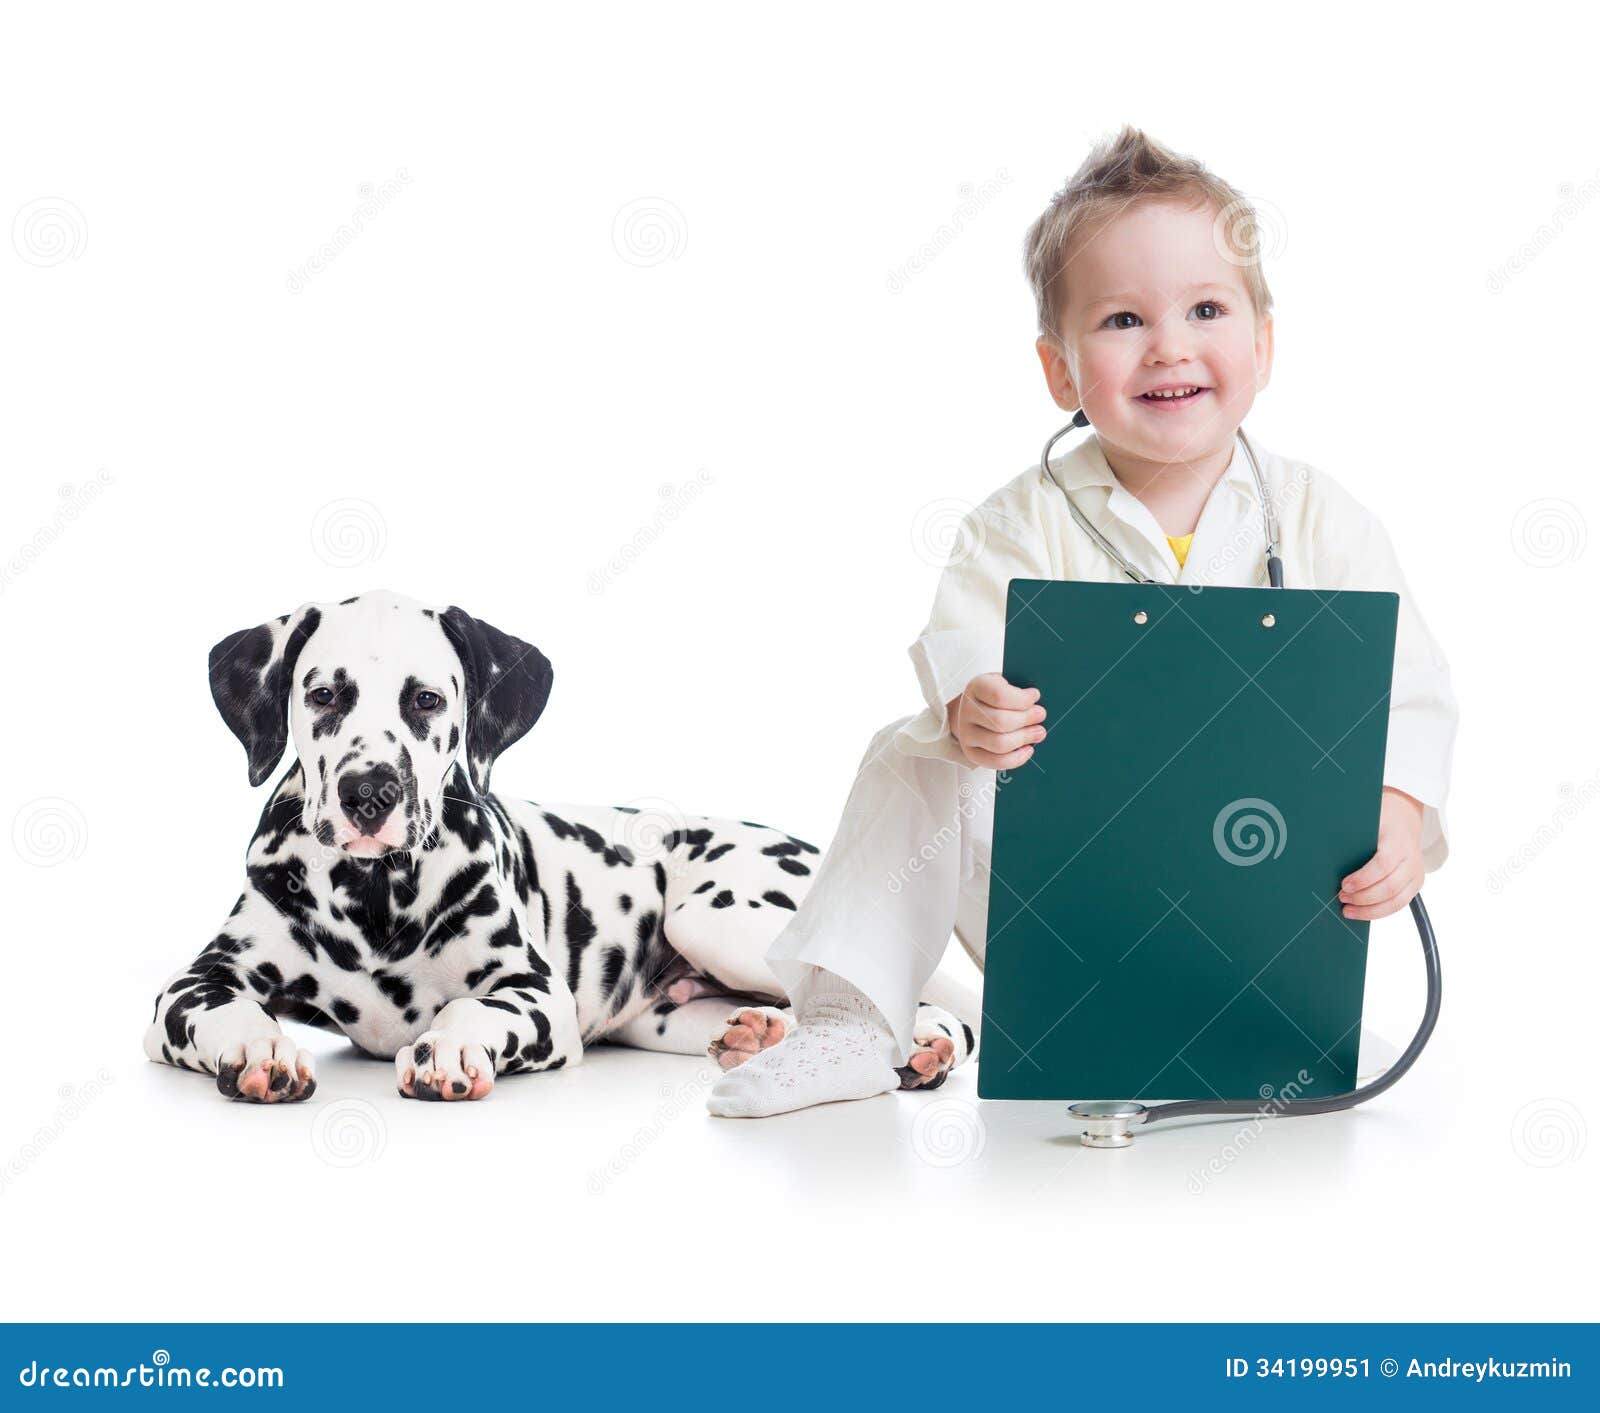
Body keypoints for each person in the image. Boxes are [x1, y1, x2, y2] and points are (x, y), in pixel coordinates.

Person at [707, 125, 1458, 1119]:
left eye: (1205, 309)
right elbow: (966, 650)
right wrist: (973, 709)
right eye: (1121, 319)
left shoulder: (1324, 519)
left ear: (1264, 345)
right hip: (1068, 899)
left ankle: (1284, 1031)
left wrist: (1398, 810)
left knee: (1348, 797)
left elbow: (1408, 689)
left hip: (1254, 892)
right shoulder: (1017, 523)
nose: (1169, 346)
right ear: (1059, 371)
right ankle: (849, 1020)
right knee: (913, 750)